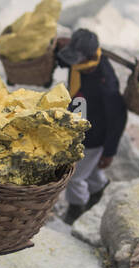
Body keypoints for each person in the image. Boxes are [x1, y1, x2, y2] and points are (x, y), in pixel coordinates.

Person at [54, 27, 127, 225]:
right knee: (91, 171)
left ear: (89, 58)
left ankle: (76, 210)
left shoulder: (106, 84)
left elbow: (117, 119)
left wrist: (109, 152)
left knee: (74, 176)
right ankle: (99, 192)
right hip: (81, 119)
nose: (73, 64)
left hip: (94, 136)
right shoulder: (80, 64)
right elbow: (64, 60)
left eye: (77, 61)